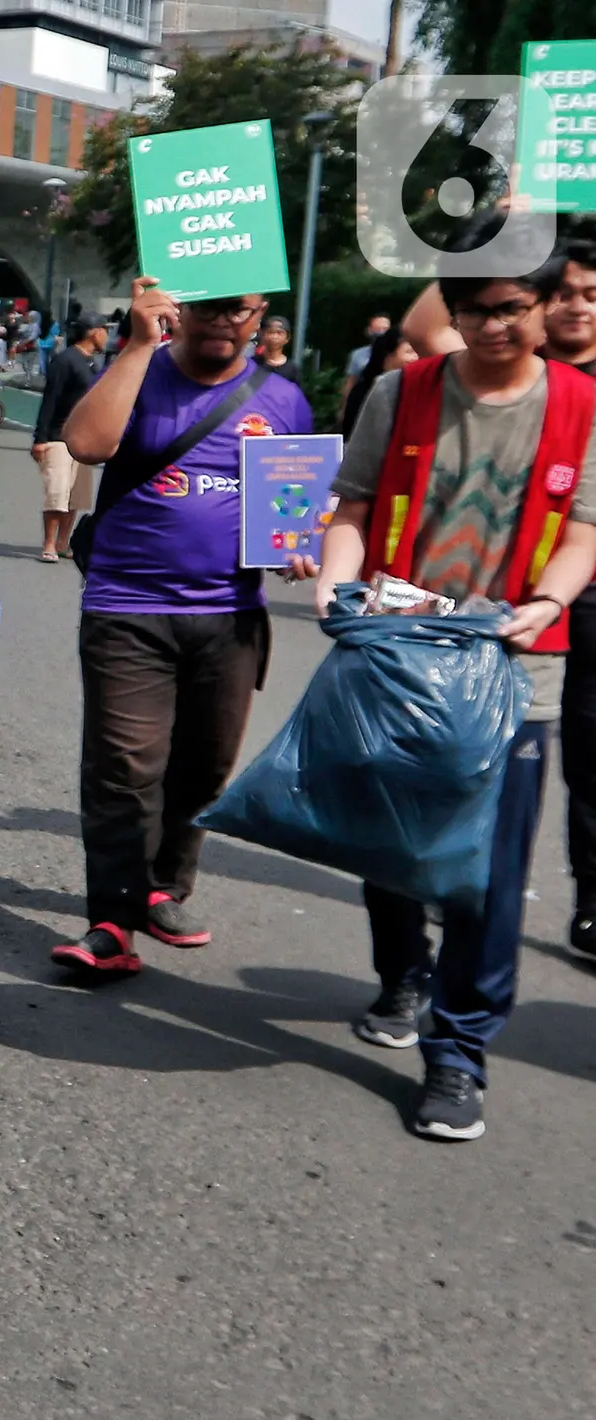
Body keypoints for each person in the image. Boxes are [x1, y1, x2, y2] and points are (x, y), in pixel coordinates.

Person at [319, 252, 596, 1142]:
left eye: (512, 308)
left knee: (490, 873)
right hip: (400, 656)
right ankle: (403, 972)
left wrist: (550, 600)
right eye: (474, 310)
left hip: (518, 668)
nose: (492, 327)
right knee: (390, 844)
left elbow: (586, 530)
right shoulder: (402, 393)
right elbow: (353, 507)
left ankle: (459, 1053)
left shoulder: (584, 407)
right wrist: (335, 583)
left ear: (547, 305)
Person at [47, 277, 315, 979]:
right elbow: (84, 442)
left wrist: (294, 543)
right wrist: (139, 345)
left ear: (259, 316)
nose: (223, 320)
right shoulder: (138, 370)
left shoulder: (283, 400)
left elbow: (290, 510)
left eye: (239, 306)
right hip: (127, 607)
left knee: (204, 768)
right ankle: (111, 916)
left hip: (230, 618)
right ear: (180, 308)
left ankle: (164, 885)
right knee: (124, 765)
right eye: (209, 305)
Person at [29, 310, 108, 561]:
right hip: (58, 436)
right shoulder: (65, 361)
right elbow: (50, 400)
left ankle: (64, 542)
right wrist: (40, 438)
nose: (107, 336)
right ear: (94, 332)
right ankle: (49, 543)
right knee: (57, 493)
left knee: (75, 495)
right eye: (105, 330)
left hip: (83, 440)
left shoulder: (94, 364)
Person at [338, 330, 416, 438]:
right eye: (410, 352)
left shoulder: (416, 390)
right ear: (388, 356)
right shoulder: (364, 393)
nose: (416, 358)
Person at [341, 312, 393, 407]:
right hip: (362, 403)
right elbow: (350, 383)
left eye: (385, 329)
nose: (381, 333)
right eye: (377, 329)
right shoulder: (358, 355)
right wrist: (344, 407)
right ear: (369, 331)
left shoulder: (397, 356)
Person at [253, 314, 300, 390]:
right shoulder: (252, 364)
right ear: (262, 335)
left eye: (279, 333)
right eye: (270, 332)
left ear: (287, 338)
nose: (274, 337)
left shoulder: (292, 369)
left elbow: (296, 397)